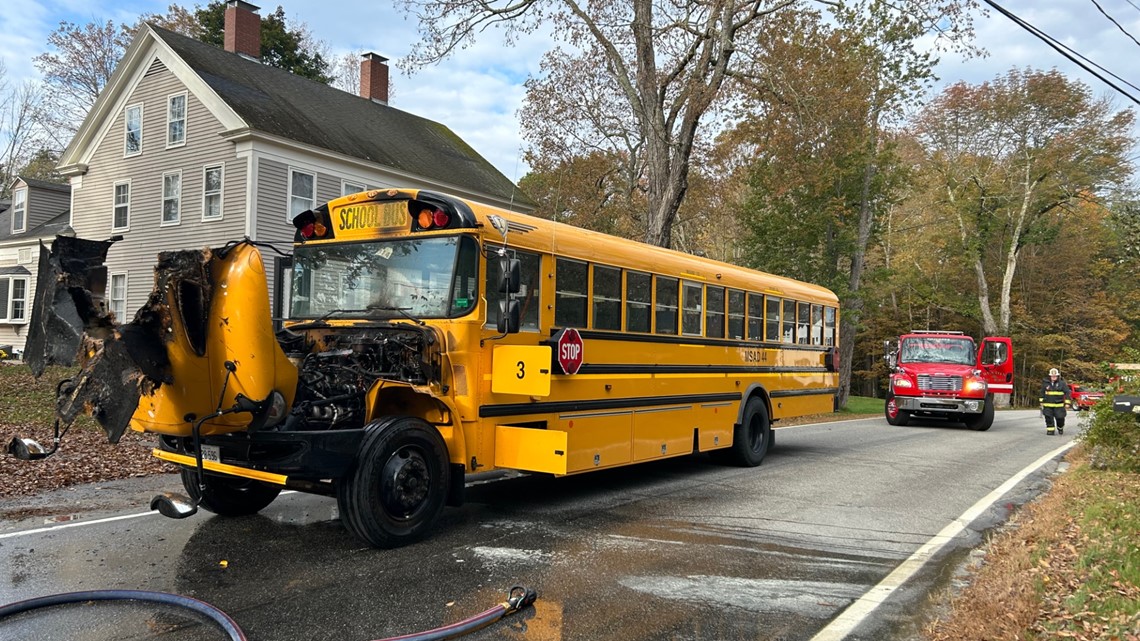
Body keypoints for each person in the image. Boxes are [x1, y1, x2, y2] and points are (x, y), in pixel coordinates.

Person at [1039, 368, 1071, 436]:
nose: (1053, 377)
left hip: (1059, 405)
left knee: (1060, 418)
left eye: (1055, 376)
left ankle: (1060, 427)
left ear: (1057, 376)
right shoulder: (1045, 383)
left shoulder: (1062, 384)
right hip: (1047, 405)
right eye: (1052, 376)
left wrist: (1067, 403)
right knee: (1048, 418)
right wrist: (1041, 401)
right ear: (1050, 376)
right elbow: (1042, 393)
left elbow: (1067, 393)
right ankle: (1050, 430)